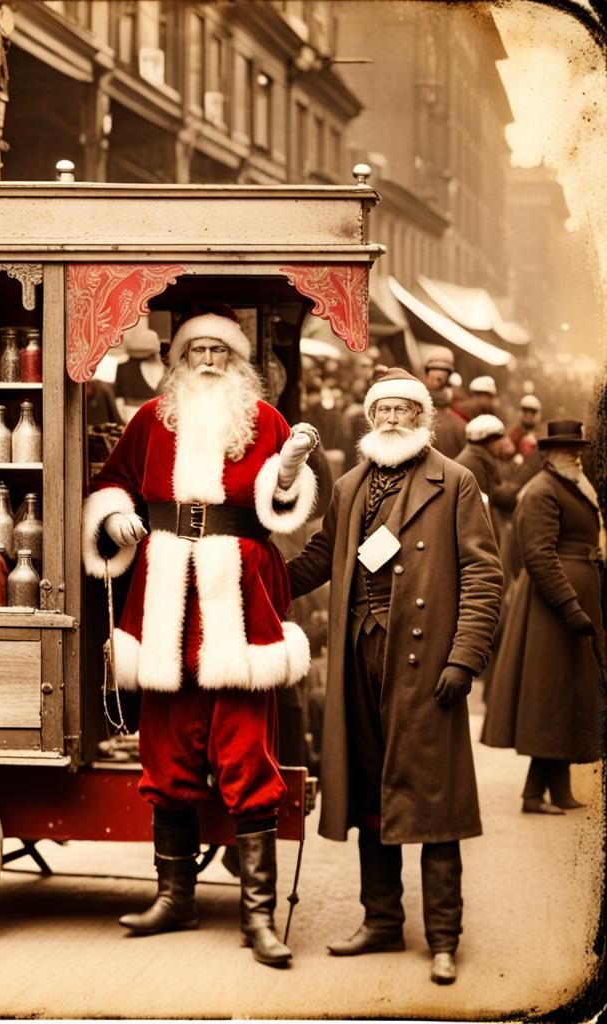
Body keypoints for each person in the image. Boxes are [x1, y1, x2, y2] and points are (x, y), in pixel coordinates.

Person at [82, 303, 318, 968]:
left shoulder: (264, 422)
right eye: (198, 352)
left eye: (221, 352)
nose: (209, 361)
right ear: (178, 362)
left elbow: (282, 506)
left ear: (238, 363)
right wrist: (119, 520)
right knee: (168, 746)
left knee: (246, 747)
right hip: (164, 592)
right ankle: (174, 897)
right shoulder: (151, 421)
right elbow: (110, 488)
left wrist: (292, 471)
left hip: (239, 589)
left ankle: (259, 916)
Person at [285, 367, 503, 986]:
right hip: (360, 658)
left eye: (406, 410)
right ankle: (381, 921)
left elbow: (485, 577)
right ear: (369, 418)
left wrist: (464, 657)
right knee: (369, 794)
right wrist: (261, 584)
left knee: (435, 803)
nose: (393, 420)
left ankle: (442, 937)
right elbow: (322, 557)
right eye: (383, 411)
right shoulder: (351, 484)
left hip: (428, 662)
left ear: (424, 418)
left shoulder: (455, 482)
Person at [481, 420, 604, 813]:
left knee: (562, 700)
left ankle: (551, 791)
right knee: (552, 699)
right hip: (553, 609)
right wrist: (569, 605)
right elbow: (538, 556)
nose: (576, 456)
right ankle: (536, 795)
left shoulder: (564, 486)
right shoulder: (542, 491)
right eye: (569, 450)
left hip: (568, 603)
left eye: (578, 449)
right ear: (551, 455)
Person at [454, 415, 518, 540]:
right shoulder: (474, 464)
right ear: (490, 442)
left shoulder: (478, 458)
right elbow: (481, 507)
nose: (502, 444)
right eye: (500, 439)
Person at [423, 347, 466, 458]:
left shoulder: (414, 415)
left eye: (442, 372)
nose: (438, 377)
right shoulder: (459, 423)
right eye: (434, 371)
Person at [506, 394, 542, 459]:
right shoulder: (514, 434)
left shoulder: (541, 434)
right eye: (526, 412)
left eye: (532, 413)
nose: (529, 416)